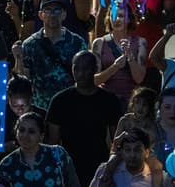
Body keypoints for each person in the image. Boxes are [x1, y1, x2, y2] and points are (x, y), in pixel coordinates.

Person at [47, 51, 125, 187]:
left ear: (95, 69)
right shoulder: (60, 101)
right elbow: (52, 143)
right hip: (69, 168)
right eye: (76, 68)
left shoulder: (109, 100)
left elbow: (116, 139)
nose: (80, 73)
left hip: (99, 166)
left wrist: (112, 167)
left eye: (85, 68)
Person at [17, 0, 90, 110]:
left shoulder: (76, 42)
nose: (52, 15)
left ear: (64, 15)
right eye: (48, 10)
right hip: (39, 108)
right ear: (41, 15)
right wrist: (18, 59)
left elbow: (85, 78)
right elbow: (24, 78)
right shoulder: (30, 44)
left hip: (69, 107)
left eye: (57, 10)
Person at [0, 112, 81, 187]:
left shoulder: (57, 154)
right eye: (21, 130)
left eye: (31, 131)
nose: (25, 136)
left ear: (41, 136)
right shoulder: (7, 164)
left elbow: (74, 183)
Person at [92, 8, 148, 105]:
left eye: (121, 16)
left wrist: (130, 56)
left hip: (131, 101)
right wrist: (115, 67)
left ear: (129, 19)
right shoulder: (99, 43)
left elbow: (139, 79)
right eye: (113, 16)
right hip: (106, 100)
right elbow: (94, 80)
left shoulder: (140, 43)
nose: (117, 19)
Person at [89, 128, 162, 187]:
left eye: (137, 150)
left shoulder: (156, 176)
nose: (132, 155)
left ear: (147, 152)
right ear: (121, 152)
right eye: (128, 150)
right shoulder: (104, 170)